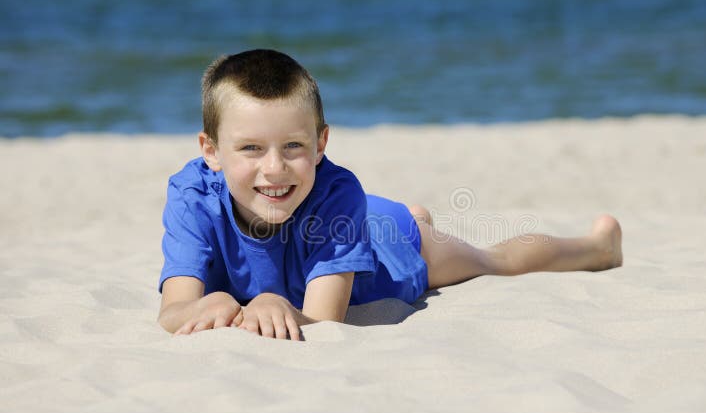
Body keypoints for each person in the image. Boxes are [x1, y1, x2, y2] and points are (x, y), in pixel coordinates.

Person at [157, 49, 623, 341]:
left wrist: (279, 308)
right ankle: (418, 216)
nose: (274, 168)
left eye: (294, 146)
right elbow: (173, 311)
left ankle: (597, 246)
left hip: (387, 247)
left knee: (489, 261)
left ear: (321, 143)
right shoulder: (192, 194)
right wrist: (204, 307)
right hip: (357, 219)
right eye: (251, 148)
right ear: (211, 151)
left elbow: (326, 321)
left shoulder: (339, 194)